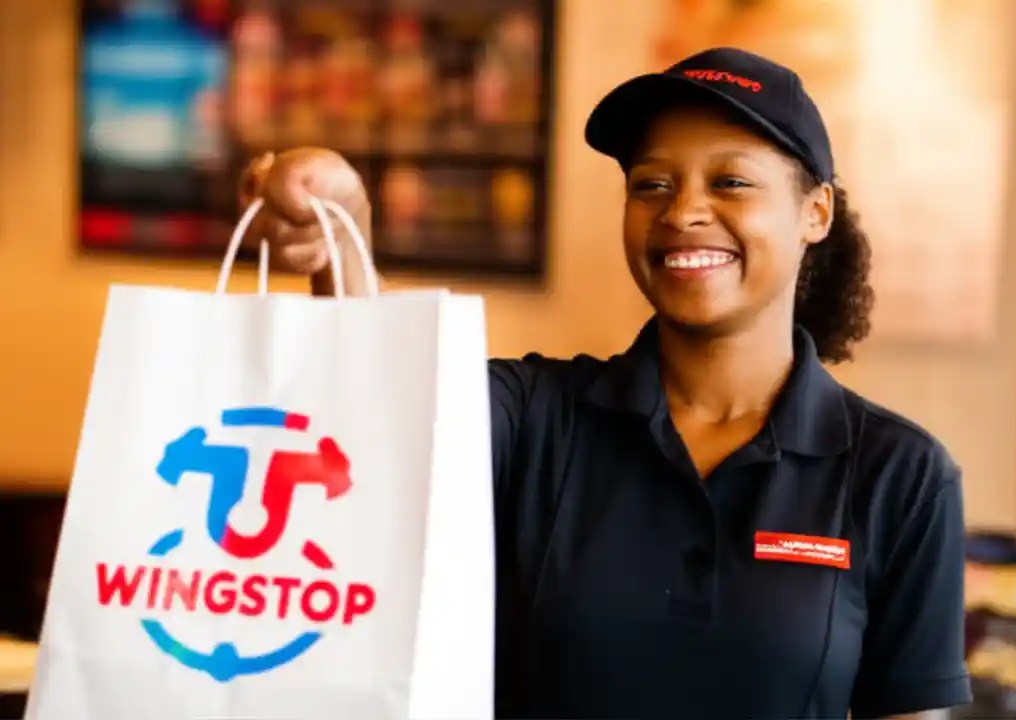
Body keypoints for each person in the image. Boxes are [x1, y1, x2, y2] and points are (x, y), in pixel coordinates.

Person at [239, 47, 972, 720]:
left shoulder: (898, 476)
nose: (682, 211)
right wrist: (342, 235)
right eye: (652, 183)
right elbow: (381, 397)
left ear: (815, 212)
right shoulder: (533, 421)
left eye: (731, 181)